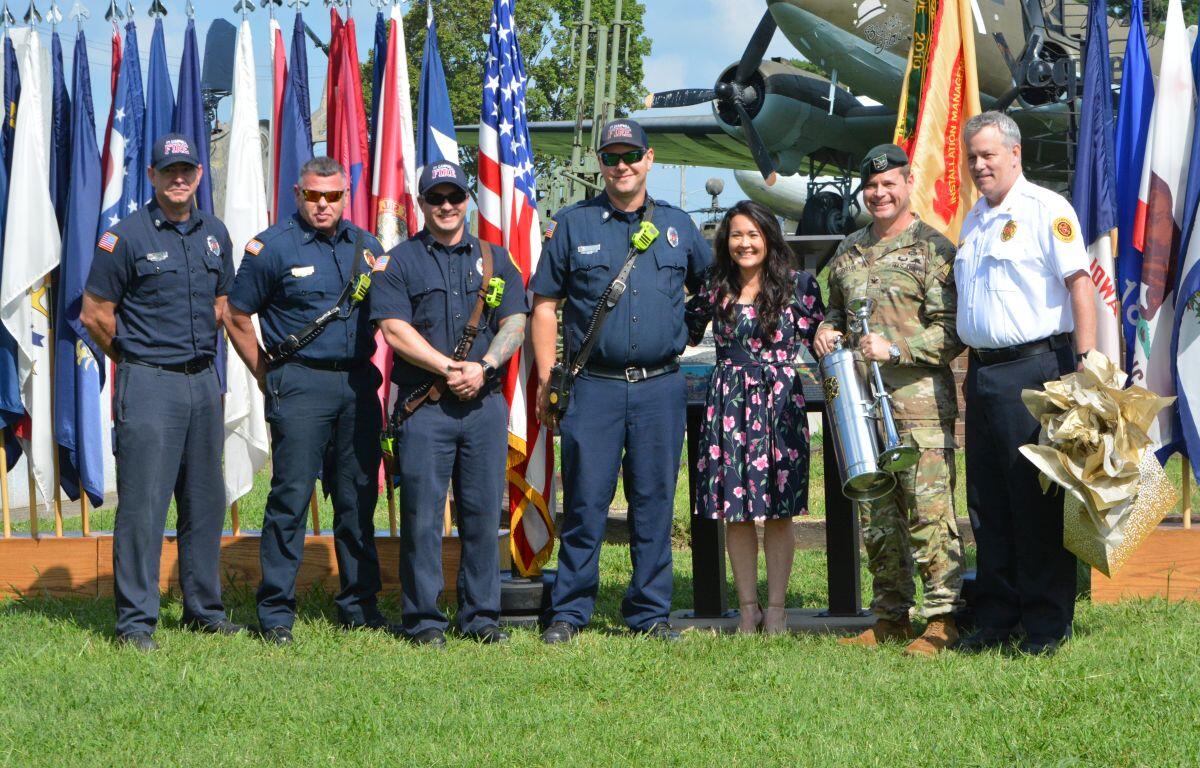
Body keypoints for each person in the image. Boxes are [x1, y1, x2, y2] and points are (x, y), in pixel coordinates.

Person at [530, 118, 712, 643]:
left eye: (631, 155)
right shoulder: (572, 225)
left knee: (654, 501)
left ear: (649, 158)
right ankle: (569, 612)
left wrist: (687, 329)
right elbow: (544, 305)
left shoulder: (679, 226)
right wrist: (549, 378)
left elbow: (713, 286)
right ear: (600, 163)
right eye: (611, 157)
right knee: (585, 501)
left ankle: (650, 613)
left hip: (660, 387)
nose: (622, 165)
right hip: (594, 388)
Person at [81, 133, 243, 650]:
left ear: (198, 176)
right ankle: (135, 622)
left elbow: (224, 304)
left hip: (203, 382)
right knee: (144, 506)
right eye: (168, 170)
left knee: (205, 501)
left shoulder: (215, 233)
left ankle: (204, 610)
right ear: (151, 176)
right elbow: (94, 315)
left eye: (187, 170)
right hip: (149, 381)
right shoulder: (123, 237)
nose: (179, 178)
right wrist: (134, 359)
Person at [225, 157, 390, 646]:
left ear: (346, 195)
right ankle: (276, 613)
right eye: (314, 196)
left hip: (359, 385)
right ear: (298, 194)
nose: (323, 204)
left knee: (358, 498)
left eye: (333, 196)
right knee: (290, 500)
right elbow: (236, 316)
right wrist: (265, 373)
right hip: (299, 385)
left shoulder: (367, 246)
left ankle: (360, 606)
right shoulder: (270, 247)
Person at [813, 144, 966, 656]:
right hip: (863, 413)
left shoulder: (934, 250)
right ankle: (891, 615)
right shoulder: (848, 251)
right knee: (877, 518)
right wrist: (824, 331)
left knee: (929, 516)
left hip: (918, 408)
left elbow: (953, 332)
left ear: (907, 184)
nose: (879, 193)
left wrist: (897, 347)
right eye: (871, 186)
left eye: (889, 184)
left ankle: (943, 619)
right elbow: (833, 311)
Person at [954, 111, 1096, 657]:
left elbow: (1079, 285)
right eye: (972, 157)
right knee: (988, 499)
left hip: (1037, 369)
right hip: (984, 371)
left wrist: (1085, 362)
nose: (979, 165)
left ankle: (1045, 624)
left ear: (1016, 154)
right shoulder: (974, 220)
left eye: (988, 154)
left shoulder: (1047, 210)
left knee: (1035, 500)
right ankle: (997, 617)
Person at [371, 160, 528, 647]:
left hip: (483, 408)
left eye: (454, 196)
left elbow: (515, 322)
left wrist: (484, 367)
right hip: (427, 408)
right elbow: (394, 330)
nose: (445, 205)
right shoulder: (397, 263)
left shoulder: (496, 259)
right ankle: (423, 620)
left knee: (482, 514)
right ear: (420, 203)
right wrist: (449, 368)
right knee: (422, 517)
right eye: (435, 197)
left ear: (468, 201)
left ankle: (481, 617)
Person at [685, 200, 823, 635]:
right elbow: (681, 328)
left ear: (769, 237)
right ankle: (748, 609)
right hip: (728, 404)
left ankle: (778, 609)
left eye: (753, 235)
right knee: (736, 511)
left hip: (781, 406)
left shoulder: (799, 285)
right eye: (736, 235)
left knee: (781, 511)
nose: (744, 243)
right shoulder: (714, 284)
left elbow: (823, 333)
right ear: (726, 241)